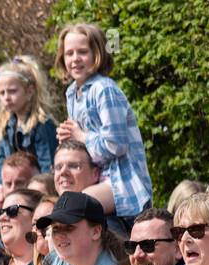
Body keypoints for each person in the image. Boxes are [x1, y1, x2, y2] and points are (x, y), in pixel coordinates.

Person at [55, 22, 152, 232]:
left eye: (82, 52)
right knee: (59, 202)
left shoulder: (104, 89)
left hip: (121, 183)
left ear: (97, 54)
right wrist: (68, 140)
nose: (75, 59)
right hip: (95, 176)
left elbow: (115, 144)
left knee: (76, 205)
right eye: (69, 53)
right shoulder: (72, 92)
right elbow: (83, 146)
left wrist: (80, 136)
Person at [0, 56, 58, 192]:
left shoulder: (42, 125)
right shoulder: (7, 125)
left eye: (12, 91)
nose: (6, 97)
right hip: (15, 183)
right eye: (2, 93)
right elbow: (2, 160)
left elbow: (48, 166)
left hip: (37, 187)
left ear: (29, 91)